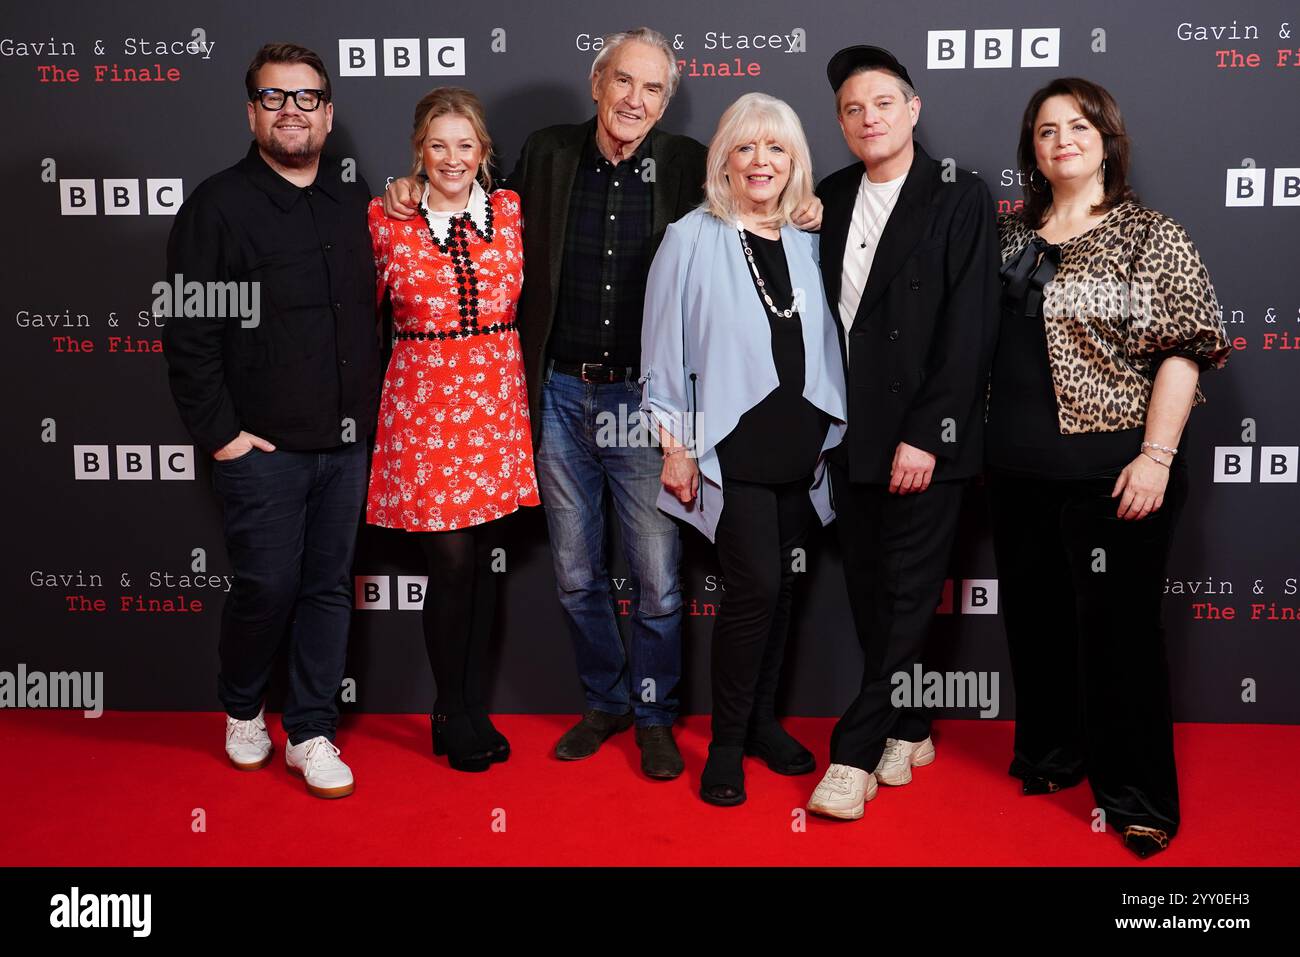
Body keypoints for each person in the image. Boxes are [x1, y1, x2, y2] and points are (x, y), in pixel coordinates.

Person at [384, 27, 822, 780]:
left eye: (653, 89)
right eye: (623, 81)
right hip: (558, 391)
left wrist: (802, 214)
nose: (635, 100)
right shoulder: (549, 154)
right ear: (597, 83)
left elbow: (747, 211)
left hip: (647, 400)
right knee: (577, 571)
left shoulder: (687, 165)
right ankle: (606, 700)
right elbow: (471, 208)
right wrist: (407, 188)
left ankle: (654, 712)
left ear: (666, 101)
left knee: (656, 574)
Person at [989, 77, 1230, 857]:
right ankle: (1055, 755)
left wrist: (1156, 456)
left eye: (1077, 125)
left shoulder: (1149, 235)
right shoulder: (1010, 238)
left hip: (1114, 471)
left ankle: (1137, 796)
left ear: (1107, 137)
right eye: (1045, 129)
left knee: (1120, 640)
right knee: (1038, 627)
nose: (1061, 139)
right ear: (1032, 147)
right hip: (1017, 473)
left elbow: (1187, 349)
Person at [161, 43, 381, 798]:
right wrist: (222, 434)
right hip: (262, 449)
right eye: (275, 98)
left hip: (348, 446)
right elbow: (188, 333)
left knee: (326, 588)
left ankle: (313, 729)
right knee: (266, 586)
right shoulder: (218, 205)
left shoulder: (358, 203)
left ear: (329, 111)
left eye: (307, 98)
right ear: (251, 110)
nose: (293, 111)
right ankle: (244, 705)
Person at [805, 45, 1000, 820]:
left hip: (925, 437)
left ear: (913, 108)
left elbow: (970, 326)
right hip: (850, 435)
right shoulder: (827, 195)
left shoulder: (960, 196)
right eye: (852, 109)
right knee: (871, 595)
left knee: (911, 591)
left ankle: (853, 751)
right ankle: (910, 722)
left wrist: (930, 434)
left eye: (882, 103)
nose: (868, 118)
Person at [642, 93, 846, 806]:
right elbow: (663, 354)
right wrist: (676, 446)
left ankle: (762, 721)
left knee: (784, 587)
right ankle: (725, 743)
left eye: (777, 149)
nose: (762, 162)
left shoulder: (807, 237)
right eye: (747, 148)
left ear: (795, 161)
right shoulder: (691, 237)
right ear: (723, 157)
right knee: (754, 588)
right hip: (731, 452)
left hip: (803, 451)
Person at [366, 88, 538, 772]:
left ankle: (473, 705)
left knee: (485, 564)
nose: (452, 158)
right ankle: (449, 709)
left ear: (485, 152)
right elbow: (351, 313)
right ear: (418, 152)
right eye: (438, 145)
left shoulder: (513, 212)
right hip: (424, 408)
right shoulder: (385, 219)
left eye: (465, 145)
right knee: (453, 562)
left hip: (495, 403)